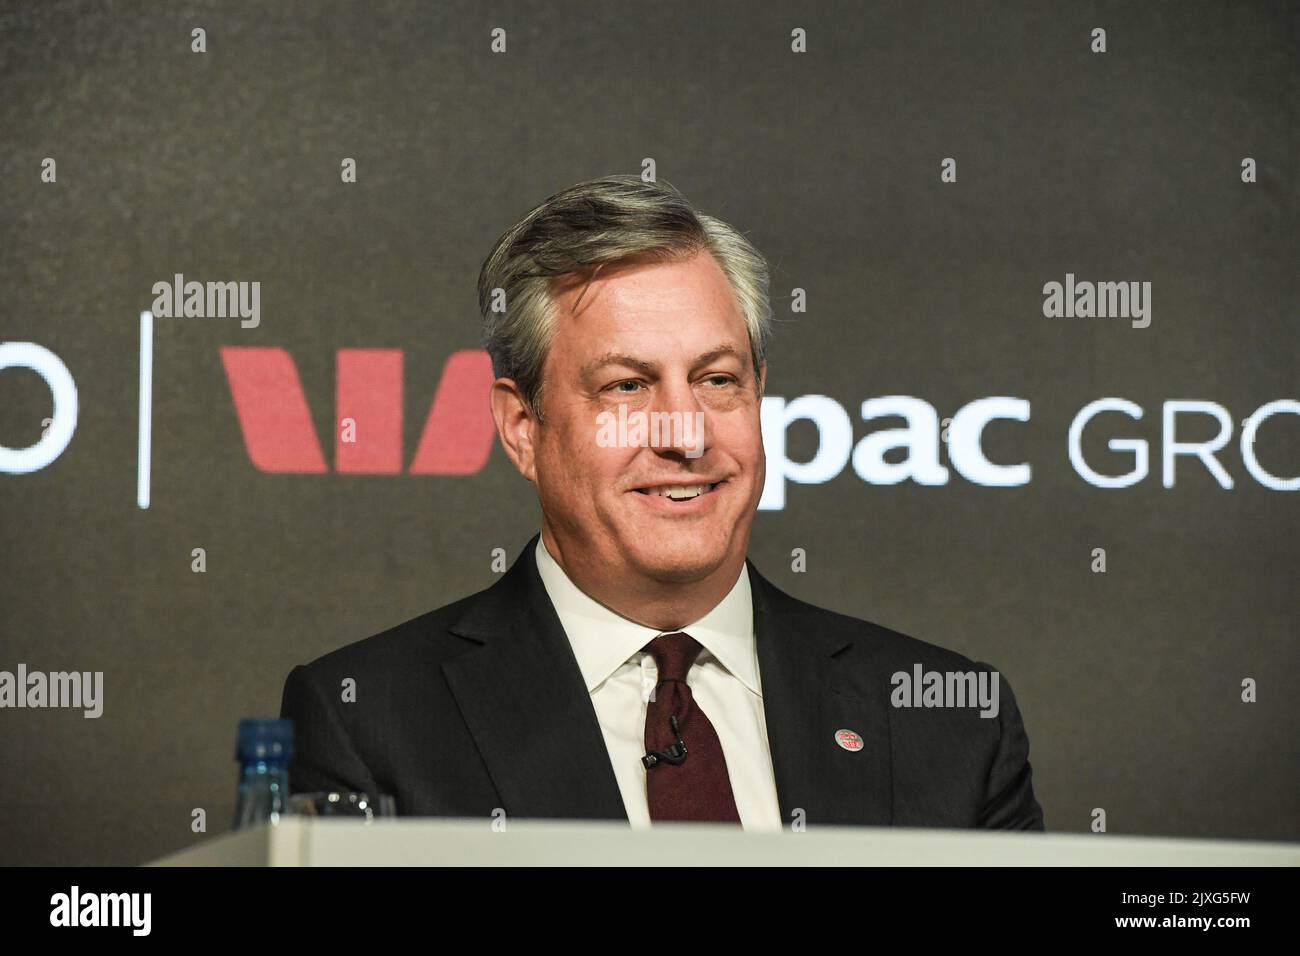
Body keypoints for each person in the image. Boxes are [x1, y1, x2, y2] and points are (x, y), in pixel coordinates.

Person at [280, 175, 1045, 831]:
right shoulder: (367, 721)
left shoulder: (946, 721)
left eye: (717, 381)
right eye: (627, 386)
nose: (686, 435)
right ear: (522, 427)